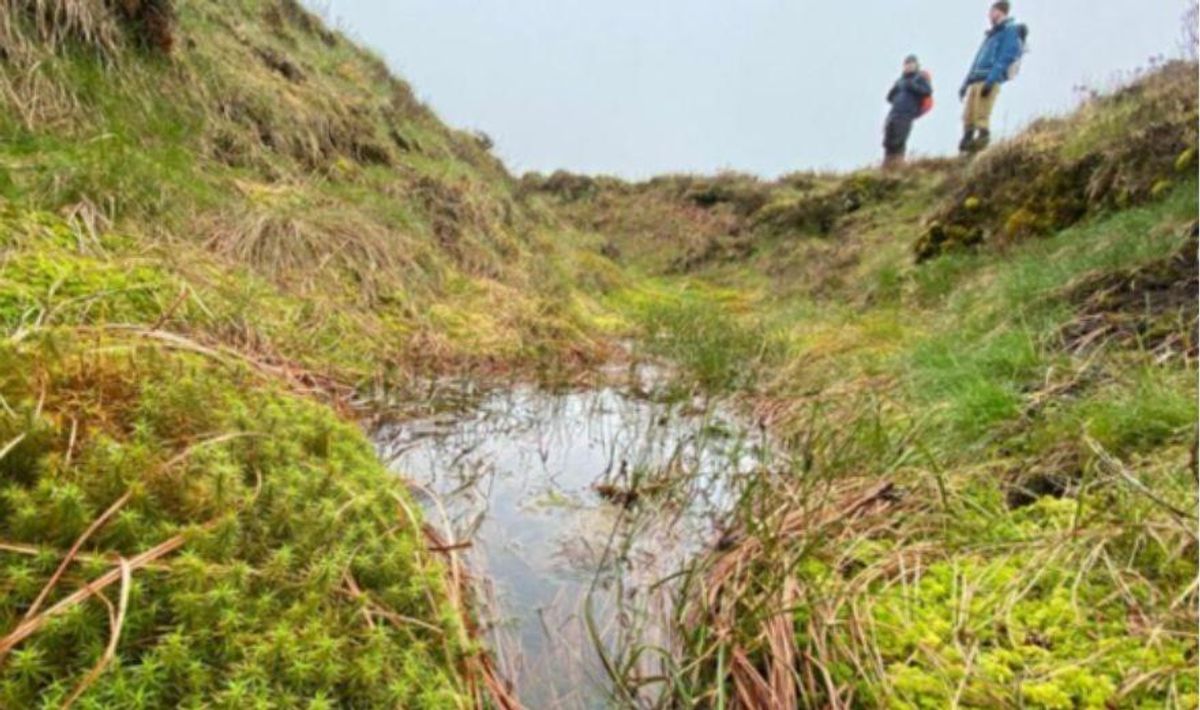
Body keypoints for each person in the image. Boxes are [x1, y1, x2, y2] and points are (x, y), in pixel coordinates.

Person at [959, 1, 1024, 153]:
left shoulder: (1009, 31)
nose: (989, 15)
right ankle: (968, 148)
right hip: (976, 79)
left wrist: (991, 79)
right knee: (968, 117)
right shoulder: (990, 35)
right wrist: (965, 83)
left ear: (999, 12)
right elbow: (976, 60)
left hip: (988, 79)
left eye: (992, 11)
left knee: (981, 116)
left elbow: (1006, 56)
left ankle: (981, 146)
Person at [883, 55, 933, 169]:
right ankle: (887, 166)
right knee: (888, 142)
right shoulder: (900, 80)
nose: (909, 66)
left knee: (899, 140)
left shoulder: (920, 78)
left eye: (911, 64)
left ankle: (898, 165)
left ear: (916, 65)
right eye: (907, 64)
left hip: (906, 114)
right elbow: (889, 97)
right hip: (894, 114)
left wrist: (912, 86)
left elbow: (927, 91)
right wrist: (895, 91)